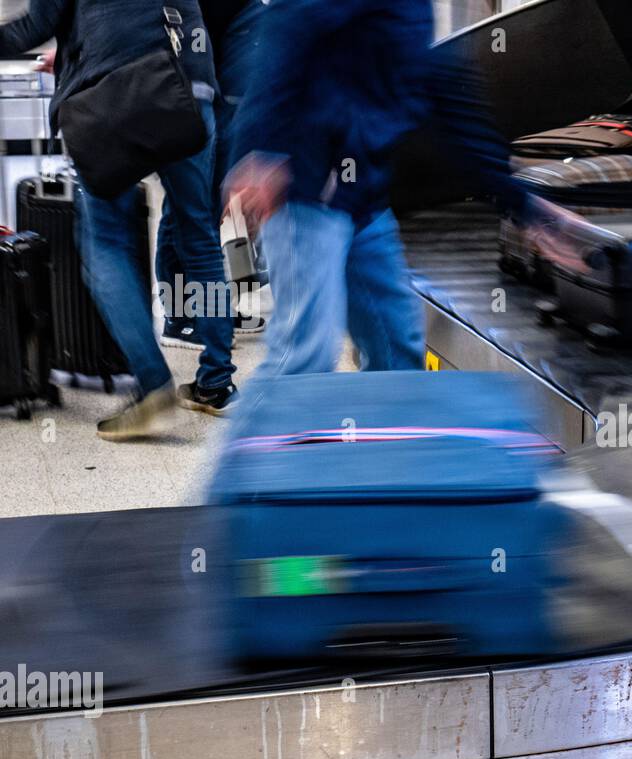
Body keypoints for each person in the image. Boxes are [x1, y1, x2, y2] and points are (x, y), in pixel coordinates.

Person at [224, 0, 580, 378]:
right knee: (304, 358)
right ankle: (262, 419)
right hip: (306, 193)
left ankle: (388, 418)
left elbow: (449, 96)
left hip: (364, 200)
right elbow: (285, 35)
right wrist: (258, 151)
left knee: (397, 347)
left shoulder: (415, 11)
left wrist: (525, 206)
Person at [0, 0, 237, 439]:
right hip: (187, 85)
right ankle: (216, 380)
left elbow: (36, 24)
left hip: (113, 98)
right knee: (200, 236)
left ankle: (153, 386)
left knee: (105, 243)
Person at [158, 0, 268, 356]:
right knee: (189, 196)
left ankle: (216, 309)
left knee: (221, 191)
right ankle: (180, 315)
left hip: (236, 25)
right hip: (186, 35)